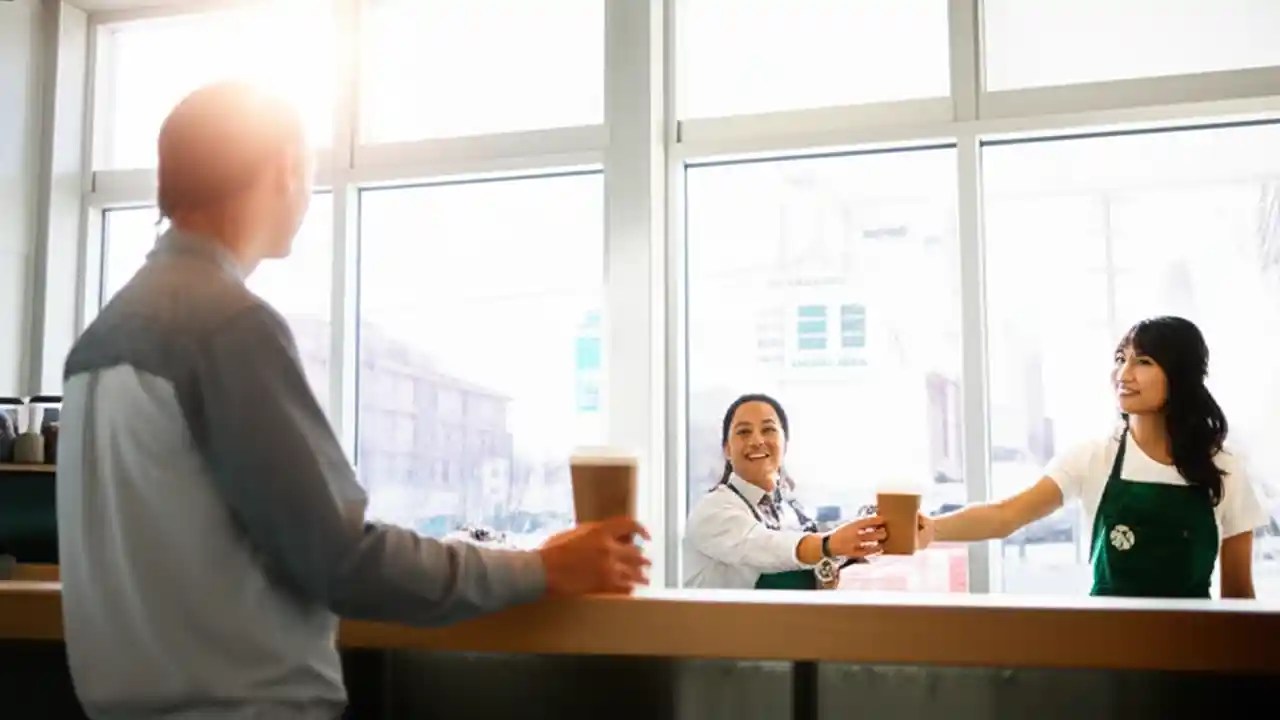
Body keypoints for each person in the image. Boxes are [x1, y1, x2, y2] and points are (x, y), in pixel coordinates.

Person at [56, 82, 649, 720]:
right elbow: (343, 560)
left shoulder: (96, 344)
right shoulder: (227, 327)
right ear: (285, 170)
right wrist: (540, 569)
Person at [918, 316, 1268, 599]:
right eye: (1121, 359)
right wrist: (932, 529)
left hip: (1194, 663)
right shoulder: (1093, 457)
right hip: (1107, 653)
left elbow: (1238, 595)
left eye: (1143, 361)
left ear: (1180, 376)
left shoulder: (1224, 469)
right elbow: (1005, 516)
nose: (1124, 374)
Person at [683, 393, 887, 590]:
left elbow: (823, 535)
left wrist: (880, 525)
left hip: (784, 623)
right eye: (744, 432)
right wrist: (828, 545)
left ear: (785, 444)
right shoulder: (713, 510)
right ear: (727, 449)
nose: (757, 441)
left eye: (768, 429)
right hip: (725, 625)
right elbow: (766, 547)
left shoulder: (789, 509)